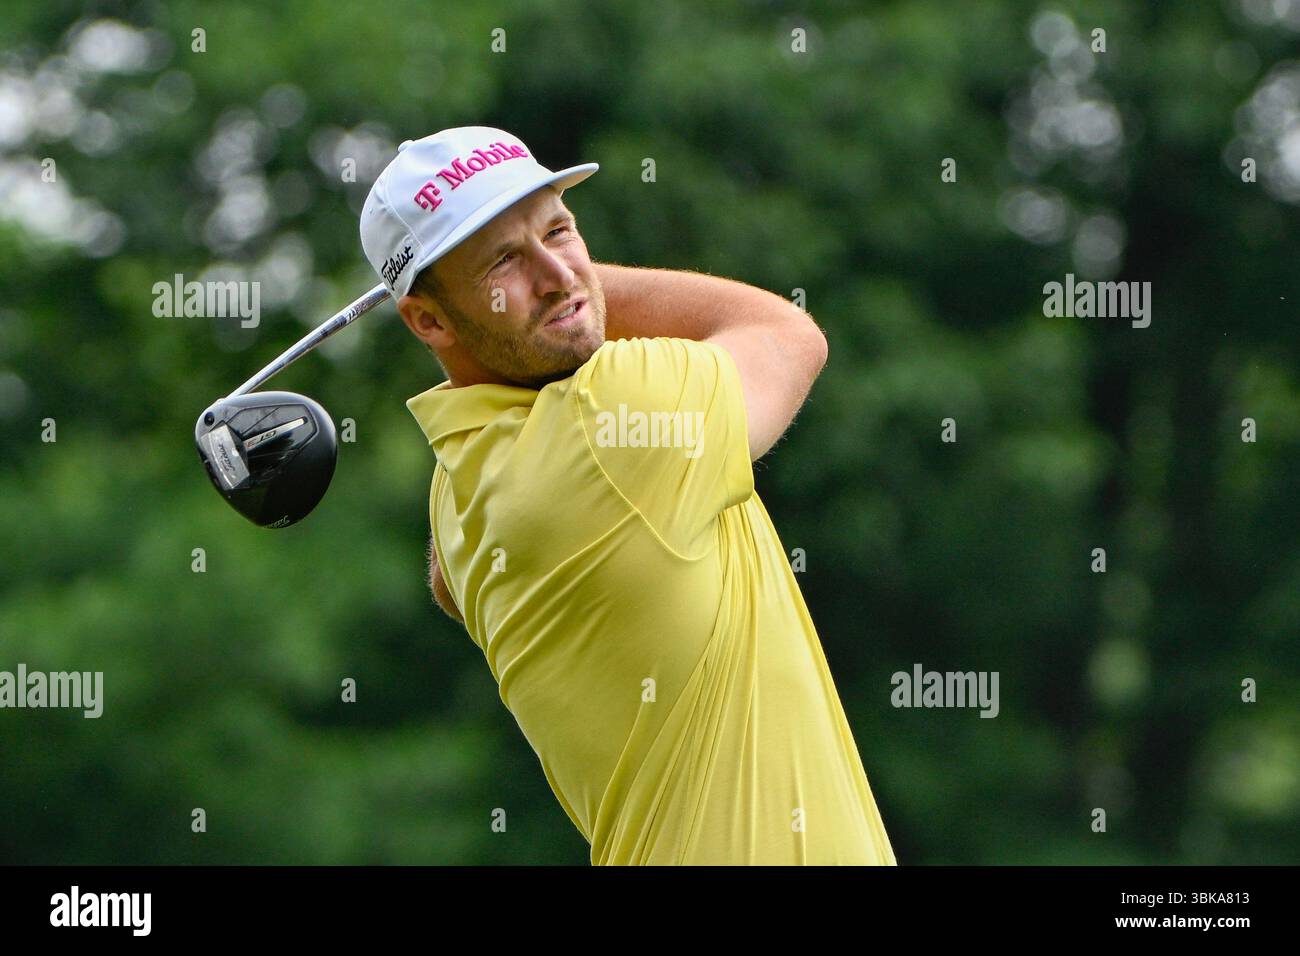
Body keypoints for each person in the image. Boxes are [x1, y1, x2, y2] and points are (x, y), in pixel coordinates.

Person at [360, 126, 896, 865]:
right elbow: (784, 333)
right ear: (426, 319)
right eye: (505, 262)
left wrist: (527, 288)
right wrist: (580, 286)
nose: (557, 272)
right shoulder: (611, 420)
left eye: (559, 230)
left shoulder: (460, 490)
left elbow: (450, 586)